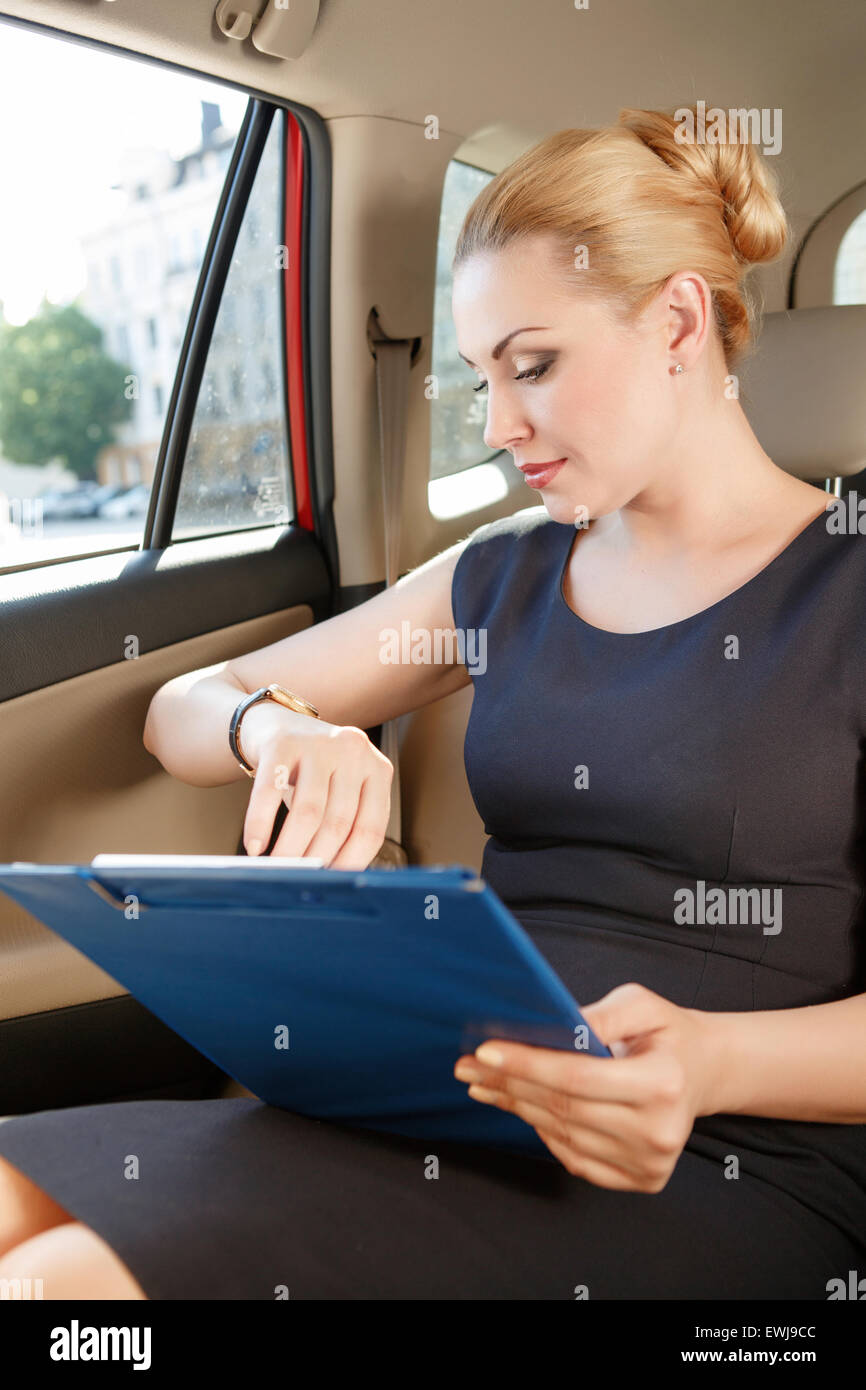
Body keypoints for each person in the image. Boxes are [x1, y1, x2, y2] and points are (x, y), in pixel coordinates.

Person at [1, 103, 864, 1300]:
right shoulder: (501, 576)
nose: (500, 427)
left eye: (536, 365)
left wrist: (709, 1059)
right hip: (438, 1092)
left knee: (67, 1284)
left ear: (675, 322)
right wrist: (278, 725)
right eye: (480, 379)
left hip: (717, 1154)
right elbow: (182, 709)